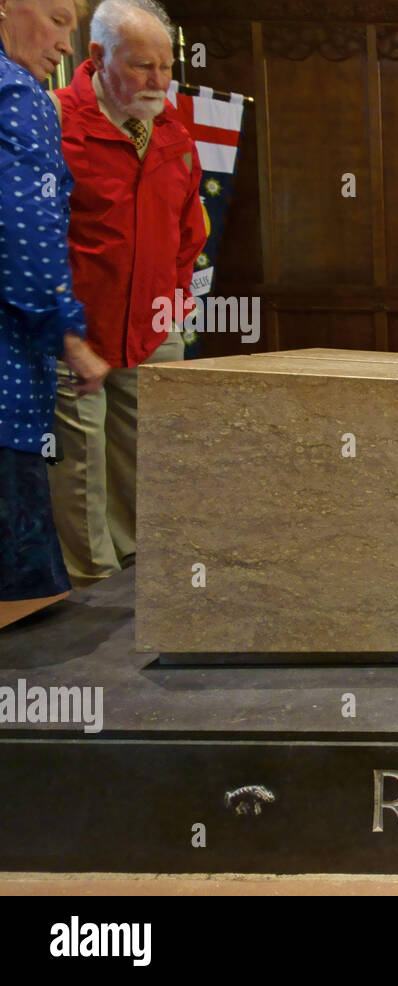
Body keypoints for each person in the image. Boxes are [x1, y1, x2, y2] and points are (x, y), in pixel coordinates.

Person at [47, 0, 205, 586]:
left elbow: (189, 233)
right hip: (77, 332)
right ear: (97, 57)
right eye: (142, 67)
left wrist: (175, 307)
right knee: (81, 471)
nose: (158, 82)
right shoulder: (54, 120)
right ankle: (91, 593)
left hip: (153, 328)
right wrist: (60, 326)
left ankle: (142, 587)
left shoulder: (174, 132)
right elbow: (37, 236)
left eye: (166, 68)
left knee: (146, 461)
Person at [0, 0, 109, 608]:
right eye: (58, 19)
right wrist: (69, 337)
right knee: (24, 614)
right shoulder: (19, 95)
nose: (67, 43)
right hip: (7, 389)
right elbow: (25, 229)